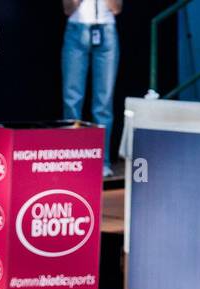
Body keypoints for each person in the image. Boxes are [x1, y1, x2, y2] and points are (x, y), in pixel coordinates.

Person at [62, 0, 123, 177]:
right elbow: (68, 8)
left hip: (106, 31)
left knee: (103, 103)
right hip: (76, 29)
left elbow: (116, 8)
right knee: (72, 98)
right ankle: (70, 159)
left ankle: (102, 162)